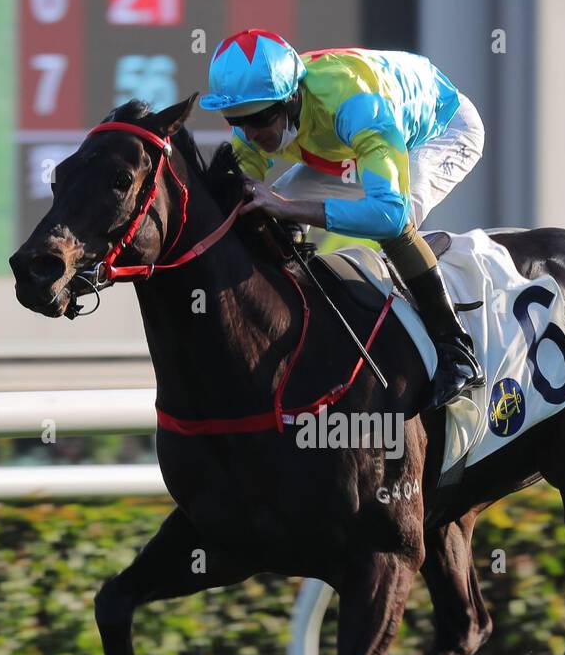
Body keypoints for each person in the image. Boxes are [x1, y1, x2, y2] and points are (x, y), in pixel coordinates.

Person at [199, 29, 486, 411]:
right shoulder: (263, 114)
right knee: (264, 215)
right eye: (236, 119)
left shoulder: (353, 103)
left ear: (293, 97)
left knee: (398, 228)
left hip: (438, 129)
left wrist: (288, 206)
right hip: (346, 149)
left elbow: (388, 214)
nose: (250, 133)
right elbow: (234, 193)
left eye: (260, 118)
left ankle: (457, 352)